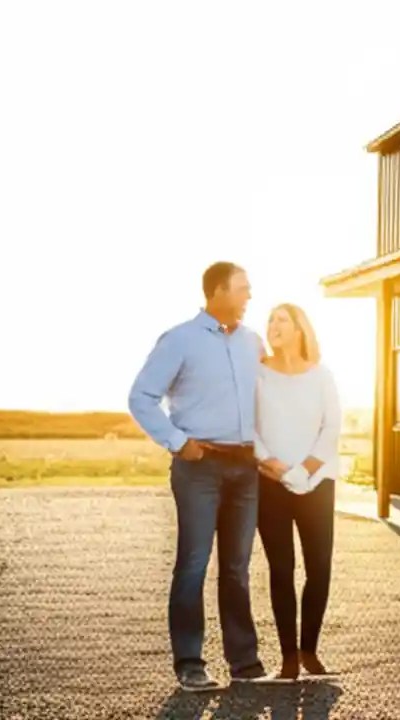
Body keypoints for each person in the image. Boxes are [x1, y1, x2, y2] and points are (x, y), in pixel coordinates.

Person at [127, 261, 270, 692]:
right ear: (218, 292)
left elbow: (273, 397)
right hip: (199, 466)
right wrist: (176, 441)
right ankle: (190, 663)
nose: (249, 296)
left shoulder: (253, 343)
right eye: (243, 288)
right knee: (193, 563)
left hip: (246, 468)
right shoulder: (180, 341)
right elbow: (141, 397)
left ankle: (244, 663)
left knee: (237, 568)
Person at [254, 303, 341, 681]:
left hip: (317, 482)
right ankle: (288, 659)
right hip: (270, 483)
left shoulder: (321, 376)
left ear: (299, 329)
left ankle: (310, 651)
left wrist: (305, 469)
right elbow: (248, 426)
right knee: (281, 569)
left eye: (281, 320)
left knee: (319, 567)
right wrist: (272, 464)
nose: (273, 326)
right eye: (270, 320)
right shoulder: (257, 375)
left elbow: (332, 427)